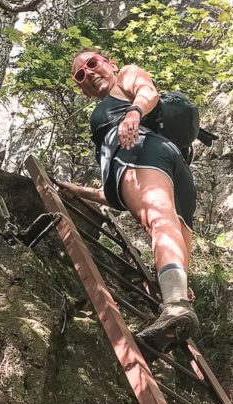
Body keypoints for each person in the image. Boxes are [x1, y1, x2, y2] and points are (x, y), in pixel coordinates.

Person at [57, 50, 199, 350]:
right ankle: (178, 300)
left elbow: (148, 91)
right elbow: (118, 194)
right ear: (83, 90)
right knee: (166, 226)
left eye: (92, 63)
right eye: (80, 75)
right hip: (174, 170)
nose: (88, 73)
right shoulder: (126, 123)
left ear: (110, 63)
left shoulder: (125, 78)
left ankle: (176, 307)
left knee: (159, 221)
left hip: (142, 152)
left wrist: (133, 113)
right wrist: (80, 192)